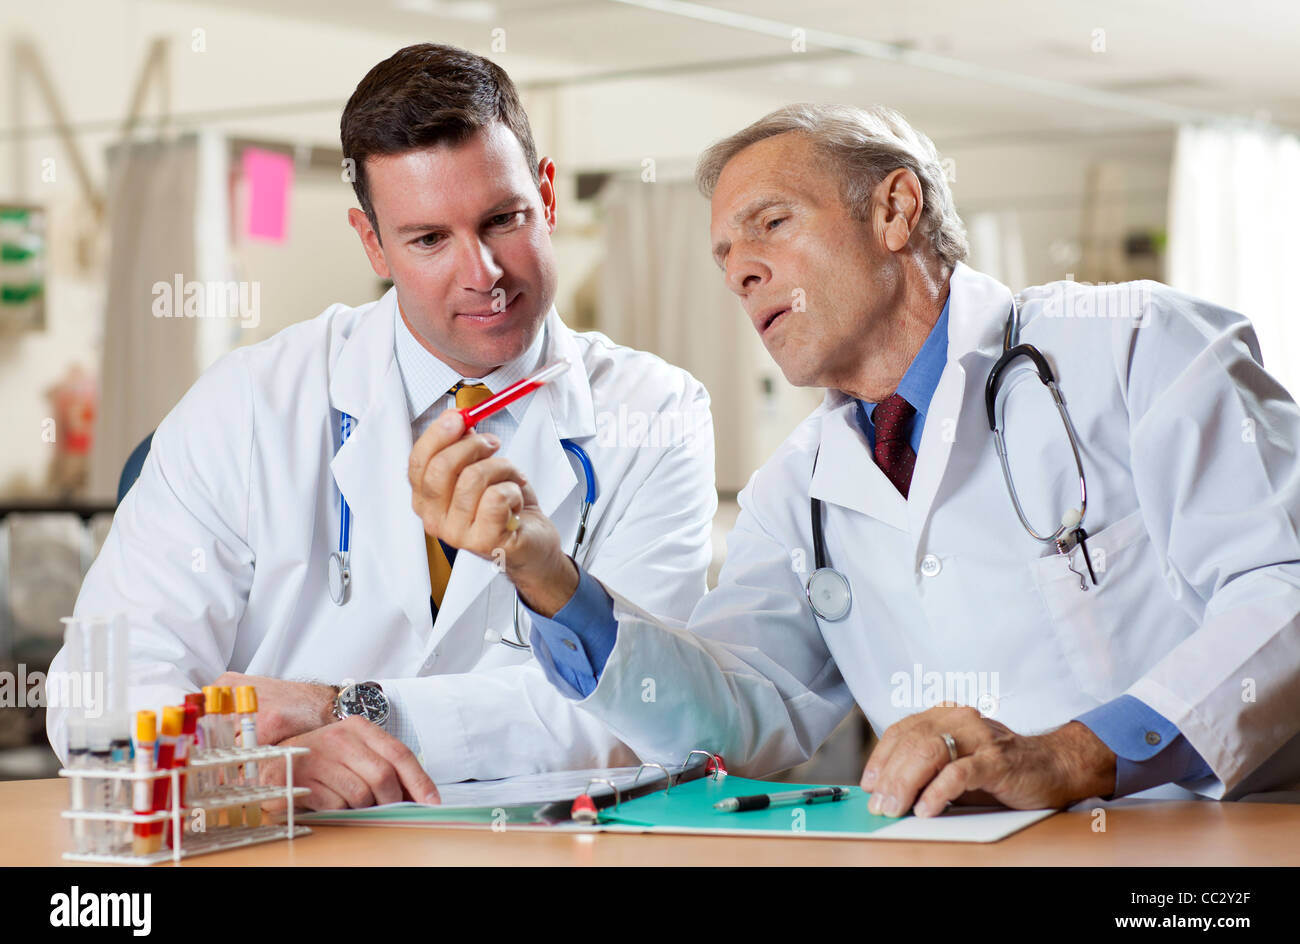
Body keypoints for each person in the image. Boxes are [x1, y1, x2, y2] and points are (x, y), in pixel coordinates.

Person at [413, 103, 1300, 815]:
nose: (741, 273)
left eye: (771, 224)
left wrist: (1072, 755)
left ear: (894, 210)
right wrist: (549, 578)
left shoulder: (1135, 345)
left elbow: (1282, 587)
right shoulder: (796, 492)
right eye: (725, 256)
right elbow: (737, 716)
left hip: (1216, 852)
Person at [46, 44, 717, 809]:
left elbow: (648, 707)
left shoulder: (657, 412)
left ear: (549, 195)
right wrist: (250, 764)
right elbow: (99, 698)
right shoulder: (249, 401)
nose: (482, 275)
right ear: (372, 242)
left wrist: (348, 709)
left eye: (502, 220)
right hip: (290, 836)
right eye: (429, 239)